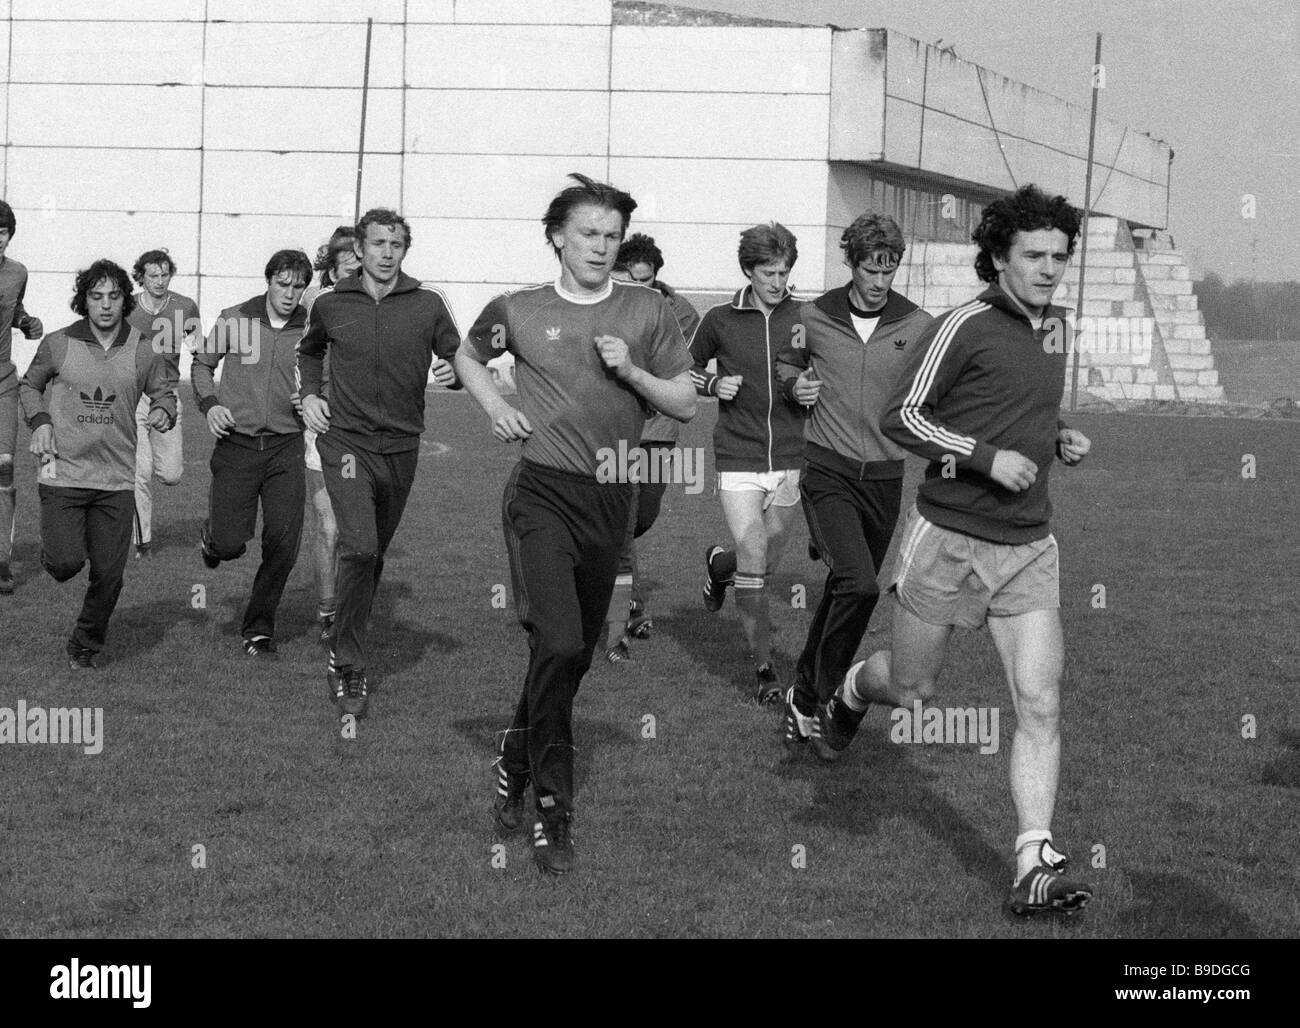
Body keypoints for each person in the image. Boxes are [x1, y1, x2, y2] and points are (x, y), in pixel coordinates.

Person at [822, 185, 1094, 917]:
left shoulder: (1060, 326)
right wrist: (984, 457)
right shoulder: (964, 324)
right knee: (913, 692)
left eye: (1059, 257)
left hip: (1029, 544)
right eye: (1033, 256)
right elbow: (903, 414)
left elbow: (1024, 402)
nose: (1047, 270)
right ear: (999, 257)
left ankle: (1034, 856)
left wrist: (1057, 434)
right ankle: (852, 689)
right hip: (947, 537)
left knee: (1040, 701)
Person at [455, 173, 695, 876]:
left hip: (612, 499)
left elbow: (682, 401)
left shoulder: (648, 311)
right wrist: (495, 407)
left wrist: (636, 377)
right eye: (588, 233)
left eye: (611, 236)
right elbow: (467, 356)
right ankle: (553, 814)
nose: (600, 246)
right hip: (541, 495)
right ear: (558, 236)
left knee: (575, 654)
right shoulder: (518, 309)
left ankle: (513, 754)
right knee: (558, 640)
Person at [773, 213, 933, 750]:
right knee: (859, 583)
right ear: (852, 262)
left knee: (850, 589)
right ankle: (816, 696)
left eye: (889, 270)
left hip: (886, 480)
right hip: (828, 470)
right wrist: (796, 385)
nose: (880, 281)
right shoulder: (812, 316)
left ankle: (803, 689)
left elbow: (941, 388)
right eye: (870, 269)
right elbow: (785, 363)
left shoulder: (919, 324)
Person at [298, 208, 461, 719]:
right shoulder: (329, 300)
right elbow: (308, 352)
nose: (386, 253)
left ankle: (344, 633)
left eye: (395, 244)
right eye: (377, 243)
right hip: (345, 442)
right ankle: (347, 661)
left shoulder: (428, 303)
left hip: (402, 446)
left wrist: (455, 369)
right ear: (360, 249)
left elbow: (459, 355)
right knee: (360, 545)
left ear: (404, 250)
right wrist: (308, 396)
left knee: (372, 555)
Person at [19, 259, 174, 667]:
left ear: (126, 300)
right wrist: (40, 421)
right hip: (62, 473)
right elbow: (30, 385)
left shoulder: (143, 348)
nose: (105, 305)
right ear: (83, 300)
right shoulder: (58, 342)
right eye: (96, 296)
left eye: (114, 296)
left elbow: (165, 394)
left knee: (109, 574)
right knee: (65, 563)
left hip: (116, 479)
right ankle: (57, 550)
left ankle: (85, 643)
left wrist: (163, 411)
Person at [692, 223, 806, 703]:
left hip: (791, 456)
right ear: (748, 270)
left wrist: (809, 389)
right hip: (738, 453)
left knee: (765, 557)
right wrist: (713, 386)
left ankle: (720, 568)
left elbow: (826, 373)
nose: (777, 282)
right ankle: (765, 672)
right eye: (768, 272)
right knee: (755, 549)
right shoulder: (720, 319)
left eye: (783, 272)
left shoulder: (807, 317)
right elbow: (683, 368)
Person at [193, 250, 313, 658]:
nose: (290, 293)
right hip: (237, 444)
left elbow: (330, 378)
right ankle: (213, 541)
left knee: (282, 542)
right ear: (268, 282)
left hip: (286, 448)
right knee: (229, 544)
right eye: (283, 284)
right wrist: (210, 404)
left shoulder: (313, 328)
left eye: (298, 286)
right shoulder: (235, 318)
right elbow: (201, 366)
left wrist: (313, 398)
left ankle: (259, 628)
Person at [601, 234, 699, 662]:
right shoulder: (602, 303)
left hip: (660, 429)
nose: (639, 287)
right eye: (630, 279)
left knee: (641, 517)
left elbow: (682, 372)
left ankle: (603, 576)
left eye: (647, 280)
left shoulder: (681, 313)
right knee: (622, 524)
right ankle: (625, 617)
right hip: (614, 429)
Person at [301, 227, 359, 643]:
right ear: (333, 268)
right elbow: (294, 349)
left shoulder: (382, 304)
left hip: (368, 431)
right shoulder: (315, 303)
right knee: (329, 526)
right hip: (323, 424)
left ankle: (353, 608)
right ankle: (327, 611)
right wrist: (302, 393)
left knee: (361, 535)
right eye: (350, 266)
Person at [127, 249, 201, 558]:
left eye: (164, 274)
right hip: (132, 397)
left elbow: (198, 347)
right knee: (139, 471)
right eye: (152, 275)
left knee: (171, 474)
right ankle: (140, 541)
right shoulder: (126, 306)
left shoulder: (184, 307)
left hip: (167, 396)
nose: (159, 281)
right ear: (141, 277)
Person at [0, 199, 44, 594]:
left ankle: (1, 561)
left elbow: (15, 311)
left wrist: (29, 324)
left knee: (5, 466)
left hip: (3, 382)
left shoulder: (17, 273)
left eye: (3, 232)